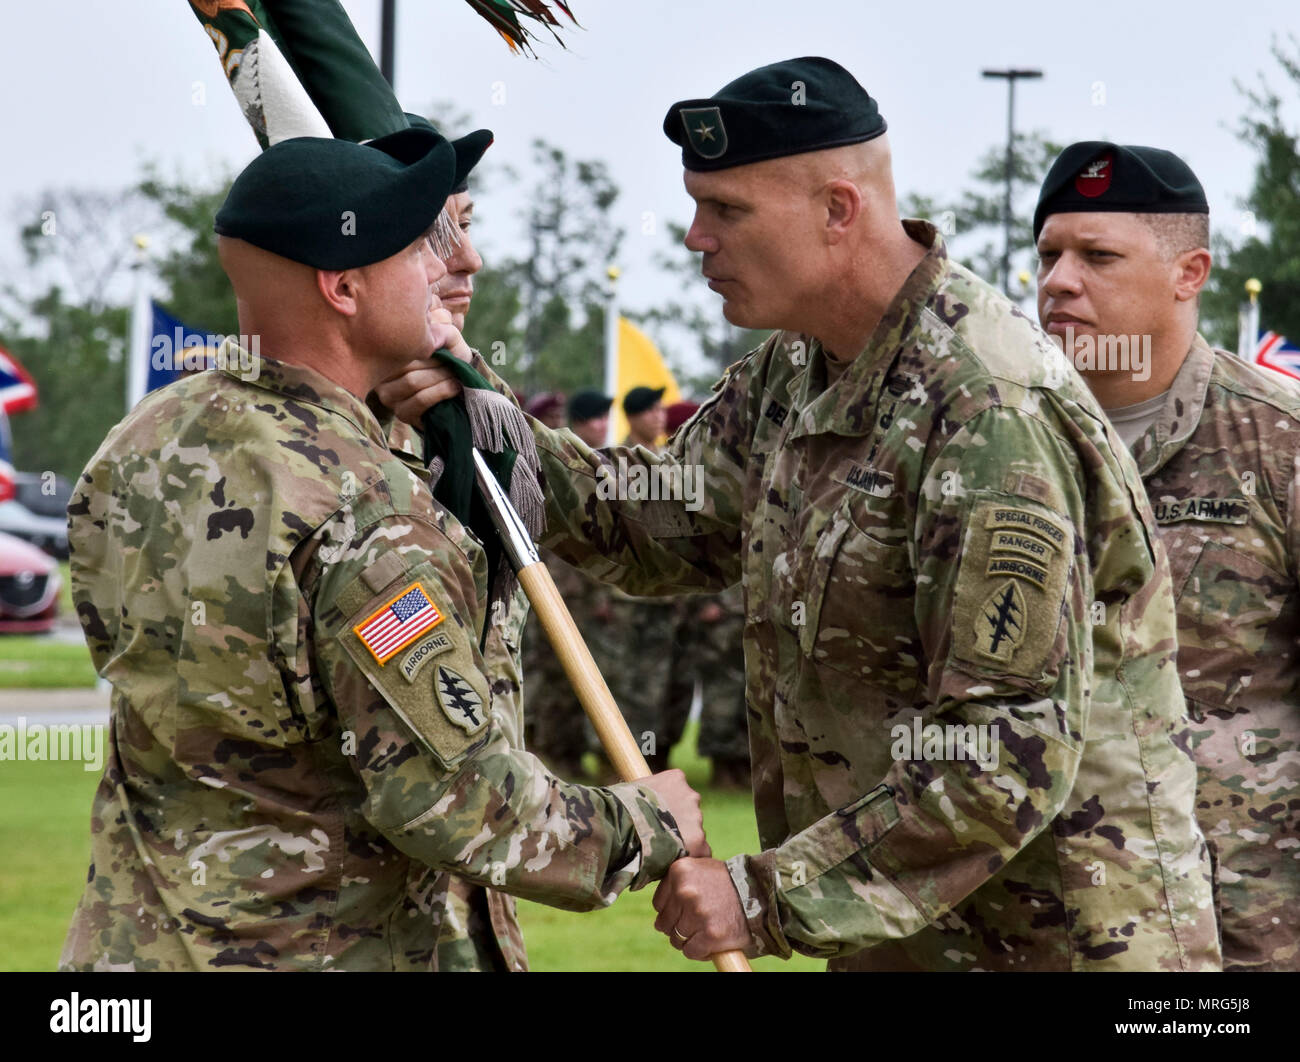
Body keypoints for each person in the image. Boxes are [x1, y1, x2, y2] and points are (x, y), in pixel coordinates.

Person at [377, 57, 1220, 971]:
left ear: (838, 210)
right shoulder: (797, 370)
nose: (696, 237)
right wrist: (490, 427)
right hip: (909, 942)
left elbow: (1001, 757)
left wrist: (763, 897)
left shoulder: (987, 408)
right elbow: (661, 525)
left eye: (726, 210)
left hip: (1060, 943)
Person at [59, 125, 706, 972]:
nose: (444, 270)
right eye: (416, 250)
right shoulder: (366, 506)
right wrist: (645, 822)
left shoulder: (144, 441)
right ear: (344, 287)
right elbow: (452, 796)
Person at [1035, 141, 1300, 971]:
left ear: (1190, 273)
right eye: (1048, 255)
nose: (1058, 281)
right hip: (1020, 929)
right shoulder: (993, 437)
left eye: (1097, 256)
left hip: (1232, 931)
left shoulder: (1278, 443)